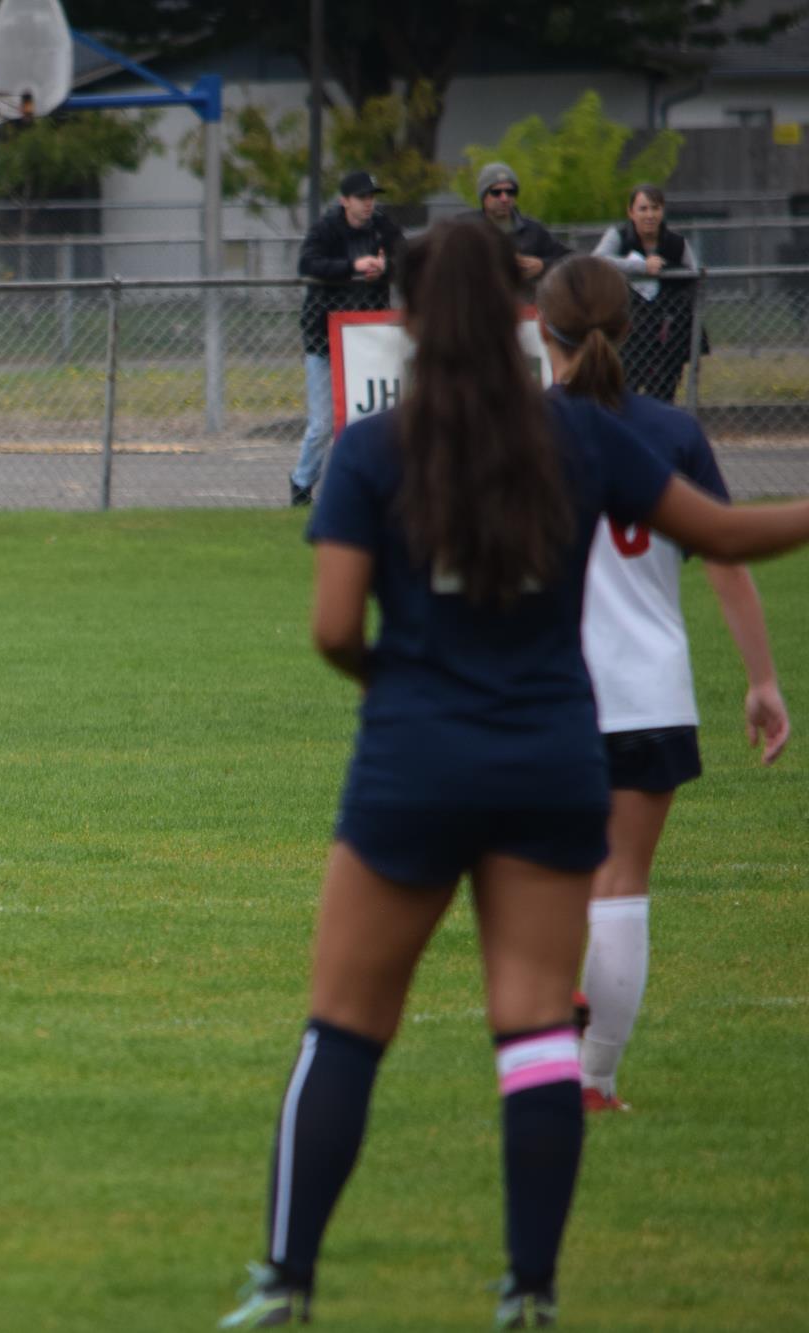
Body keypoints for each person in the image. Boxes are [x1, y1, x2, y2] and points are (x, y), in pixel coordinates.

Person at [218, 220, 809, 1330]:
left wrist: (403, 679)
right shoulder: (578, 440)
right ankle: (527, 1291)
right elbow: (721, 531)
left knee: (343, 1025)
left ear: (401, 318)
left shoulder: (370, 449)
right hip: (550, 757)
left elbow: (333, 626)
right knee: (536, 1026)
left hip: (412, 757)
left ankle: (285, 1281)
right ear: (511, 316)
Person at [541, 255, 790, 1113]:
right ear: (632, 328)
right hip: (647, 689)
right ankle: (595, 1081)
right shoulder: (669, 432)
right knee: (621, 887)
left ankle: (540, 1070)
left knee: (541, 882)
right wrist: (762, 679)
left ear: (545, 333)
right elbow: (725, 555)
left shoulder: (518, 428)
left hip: (540, 690)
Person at [288, 170, 407, 507]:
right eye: (361, 197)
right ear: (344, 200)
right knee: (323, 423)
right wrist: (353, 266)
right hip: (323, 338)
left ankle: (366, 486)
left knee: (372, 418)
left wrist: (386, 269)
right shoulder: (327, 227)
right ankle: (301, 483)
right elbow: (307, 264)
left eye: (372, 196)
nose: (368, 203)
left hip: (368, 340)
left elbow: (409, 259)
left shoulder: (383, 226)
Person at [592, 184, 703, 402]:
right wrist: (642, 268)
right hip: (627, 329)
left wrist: (669, 273)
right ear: (631, 212)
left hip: (665, 331)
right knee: (624, 390)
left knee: (663, 392)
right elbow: (597, 260)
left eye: (655, 208)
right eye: (643, 209)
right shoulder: (619, 236)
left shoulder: (675, 242)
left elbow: (695, 272)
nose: (650, 215)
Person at [462, 162, 570, 297]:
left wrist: (543, 266)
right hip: (478, 306)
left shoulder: (533, 230)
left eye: (510, 191)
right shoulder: (465, 228)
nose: (504, 198)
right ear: (483, 196)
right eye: (496, 192)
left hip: (525, 307)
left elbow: (570, 259)